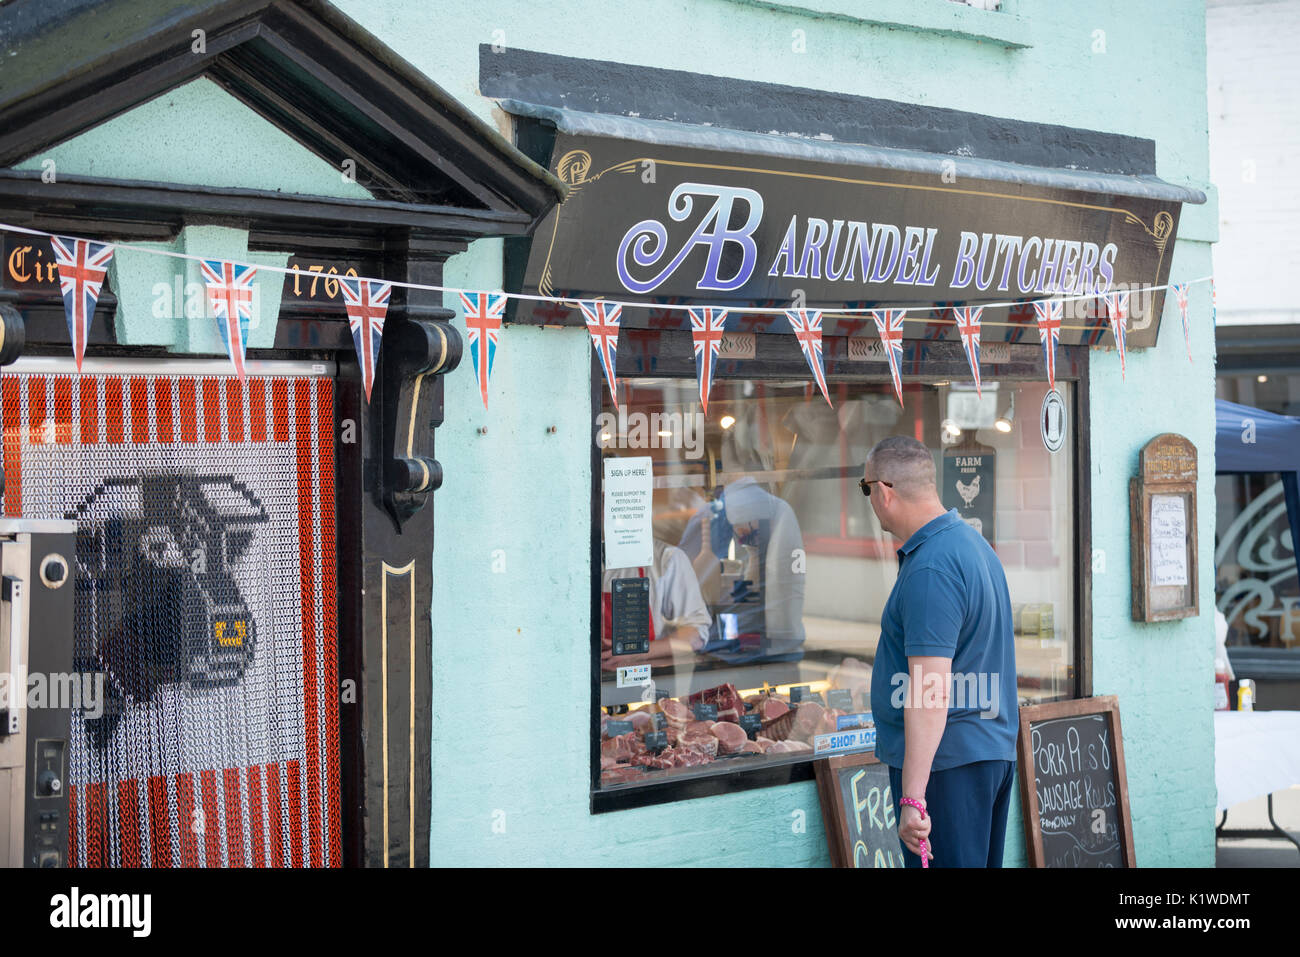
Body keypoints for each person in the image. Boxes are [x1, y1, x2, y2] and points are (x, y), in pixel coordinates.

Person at [863, 435, 1019, 868]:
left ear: (884, 491)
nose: (870, 500)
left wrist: (913, 795)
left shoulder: (932, 565)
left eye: (866, 490)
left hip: (948, 766)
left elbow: (930, 691)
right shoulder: (974, 548)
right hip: (985, 754)